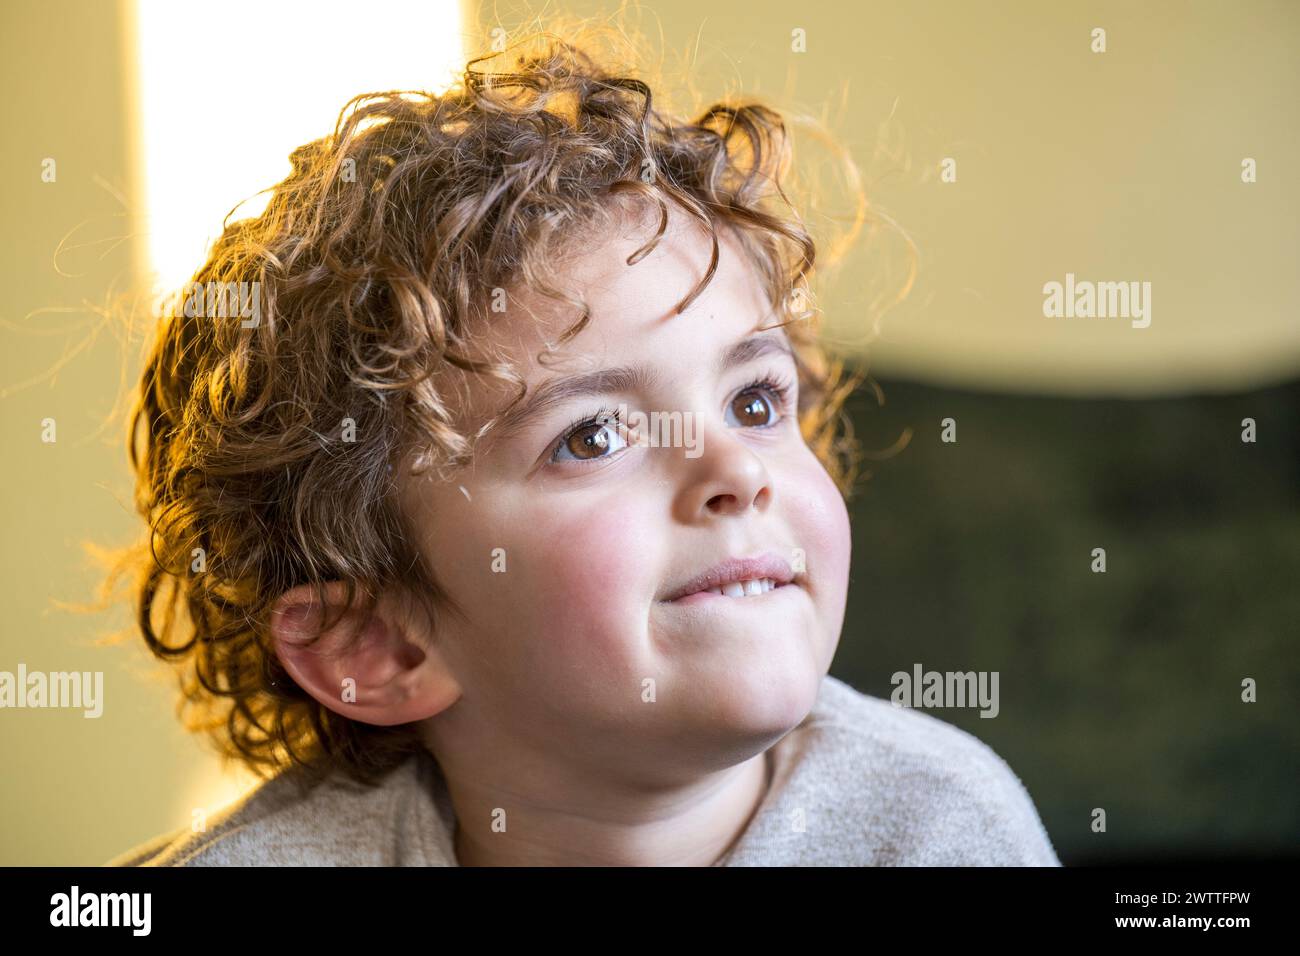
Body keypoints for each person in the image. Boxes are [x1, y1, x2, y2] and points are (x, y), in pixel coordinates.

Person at [105, 28, 1059, 867]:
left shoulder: (939, 829)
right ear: (378, 644)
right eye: (593, 435)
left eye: (756, 403)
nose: (735, 472)